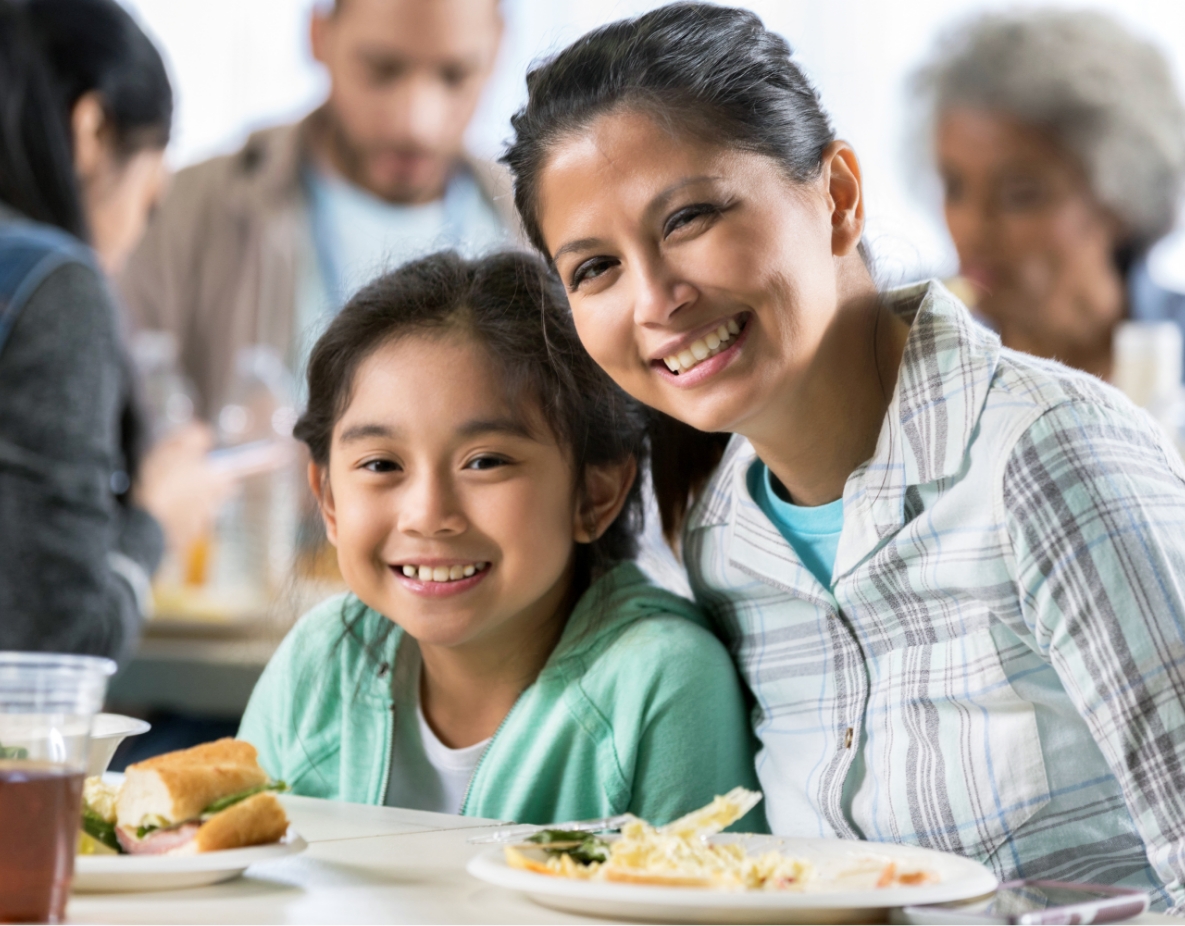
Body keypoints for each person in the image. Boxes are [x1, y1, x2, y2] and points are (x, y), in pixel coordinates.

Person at [501, 2, 1185, 910]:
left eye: (689, 217)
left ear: (839, 196)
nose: (654, 299)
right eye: (595, 269)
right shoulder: (722, 538)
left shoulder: (1046, 455)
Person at [238, 251, 764, 827]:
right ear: (329, 500)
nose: (428, 515)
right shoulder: (320, 662)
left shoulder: (663, 681)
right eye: (381, 464)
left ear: (595, 494)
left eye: (485, 461)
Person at [119, 0, 514, 417]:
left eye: (455, 76)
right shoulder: (179, 210)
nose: (416, 124)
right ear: (318, 36)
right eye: (382, 70)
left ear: (498, 50)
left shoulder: (535, 220)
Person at [0, 0, 229, 663]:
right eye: (149, 204)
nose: (128, 247)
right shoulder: (53, 285)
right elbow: (58, 650)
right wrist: (156, 519)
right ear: (92, 129)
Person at [911, 9, 1185, 381]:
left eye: (1019, 196)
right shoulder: (903, 339)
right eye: (953, 187)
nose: (972, 229)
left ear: (1120, 198)